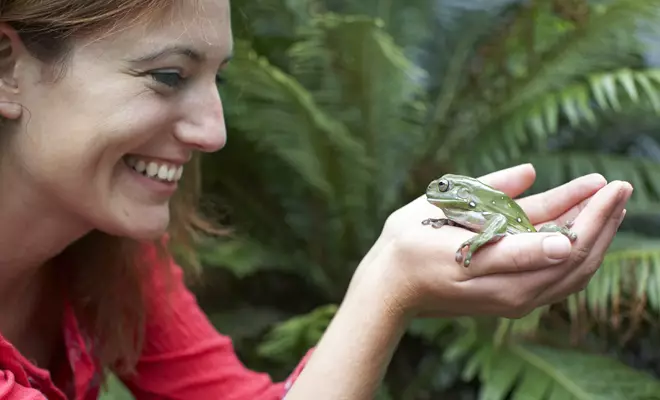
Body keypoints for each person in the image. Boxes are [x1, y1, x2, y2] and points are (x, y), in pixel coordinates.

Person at [0, 0, 633, 399]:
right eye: (168, 76)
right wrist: (387, 288)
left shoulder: (115, 255)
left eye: (215, 79)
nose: (214, 133)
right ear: (7, 65)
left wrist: (394, 278)